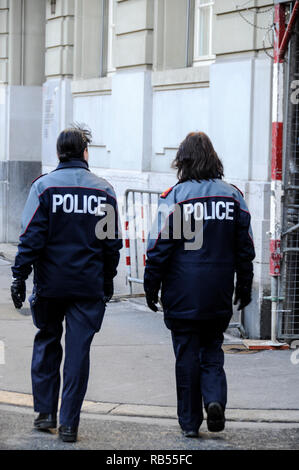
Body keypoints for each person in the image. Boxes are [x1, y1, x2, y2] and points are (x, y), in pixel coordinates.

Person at [10, 125, 122, 443]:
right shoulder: (104, 191)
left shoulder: (43, 188)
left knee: (47, 341)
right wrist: (108, 278)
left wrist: (19, 275)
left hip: (50, 285)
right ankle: (69, 423)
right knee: (77, 352)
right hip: (88, 287)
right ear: (85, 153)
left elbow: (30, 236)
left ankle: (46, 412)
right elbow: (111, 242)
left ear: (59, 153)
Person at [144, 132, 255, 437]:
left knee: (186, 356)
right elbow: (245, 248)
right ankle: (216, 399)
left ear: (182, 161)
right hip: (218, 291)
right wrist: (244, 286)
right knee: (212, 351)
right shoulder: (232, 196)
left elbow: (159, 248)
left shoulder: (177, 197)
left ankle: (190, 423)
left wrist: (151, 285)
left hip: (182, 292)